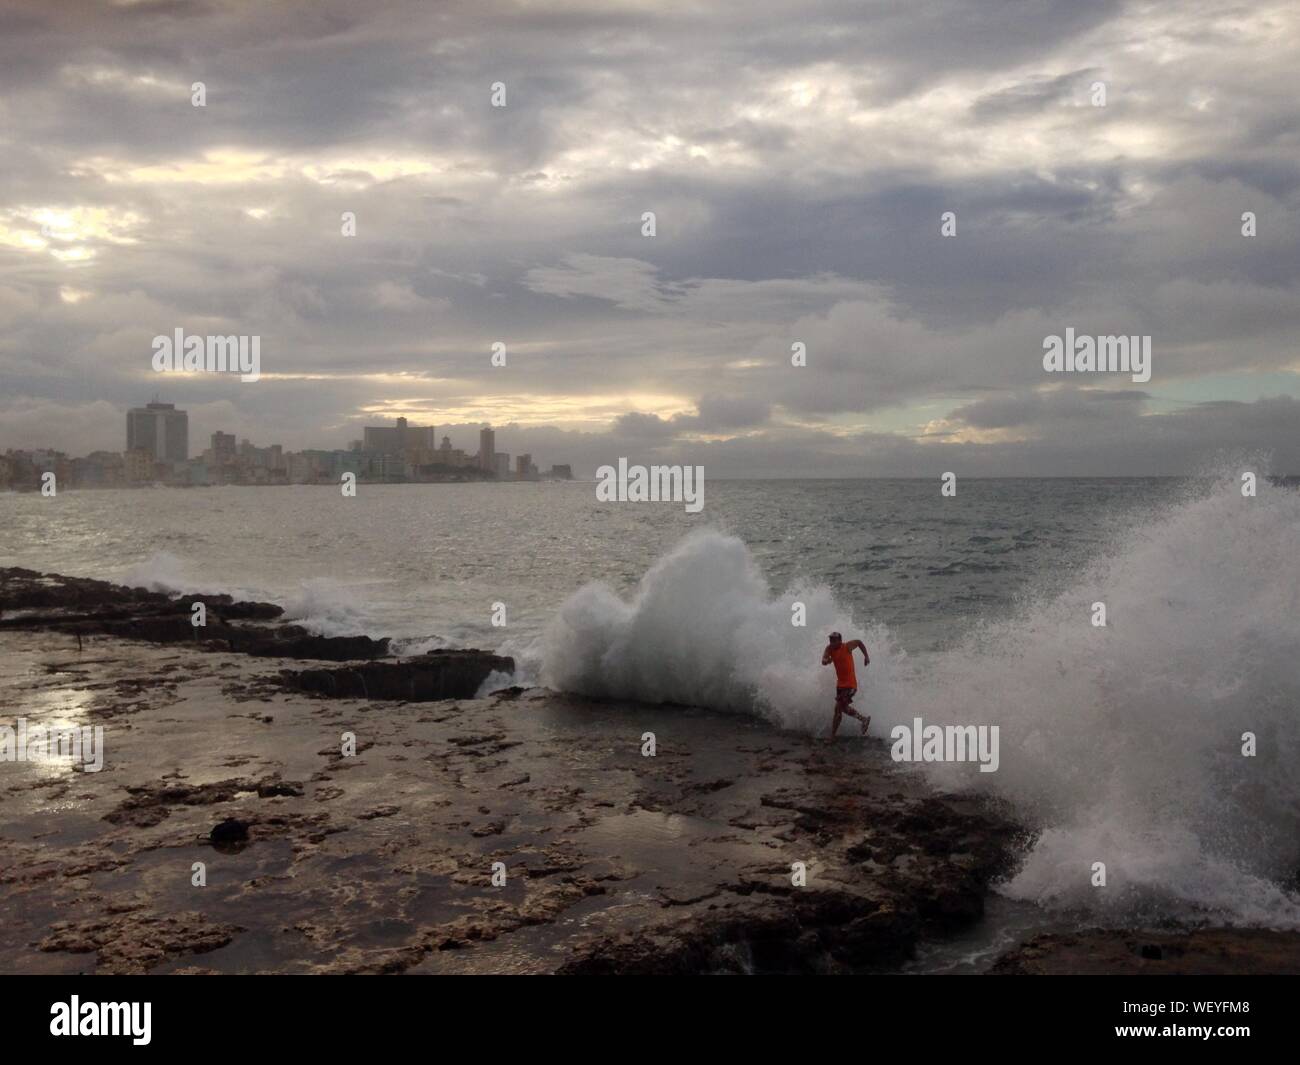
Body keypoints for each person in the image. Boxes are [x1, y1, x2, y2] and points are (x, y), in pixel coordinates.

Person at [821, 631, 870, 738]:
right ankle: (863, 719)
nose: (832, 642)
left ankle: (832, 737)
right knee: (840, 709)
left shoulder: (847, 646)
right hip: (840, 685)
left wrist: (866, 656)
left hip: (851, 685)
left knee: (839, 707)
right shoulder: (829, 648)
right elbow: (824, 659)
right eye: (830, 640)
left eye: (834, 640)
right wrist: (826, 660)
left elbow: (859, 642)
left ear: (840, 641)